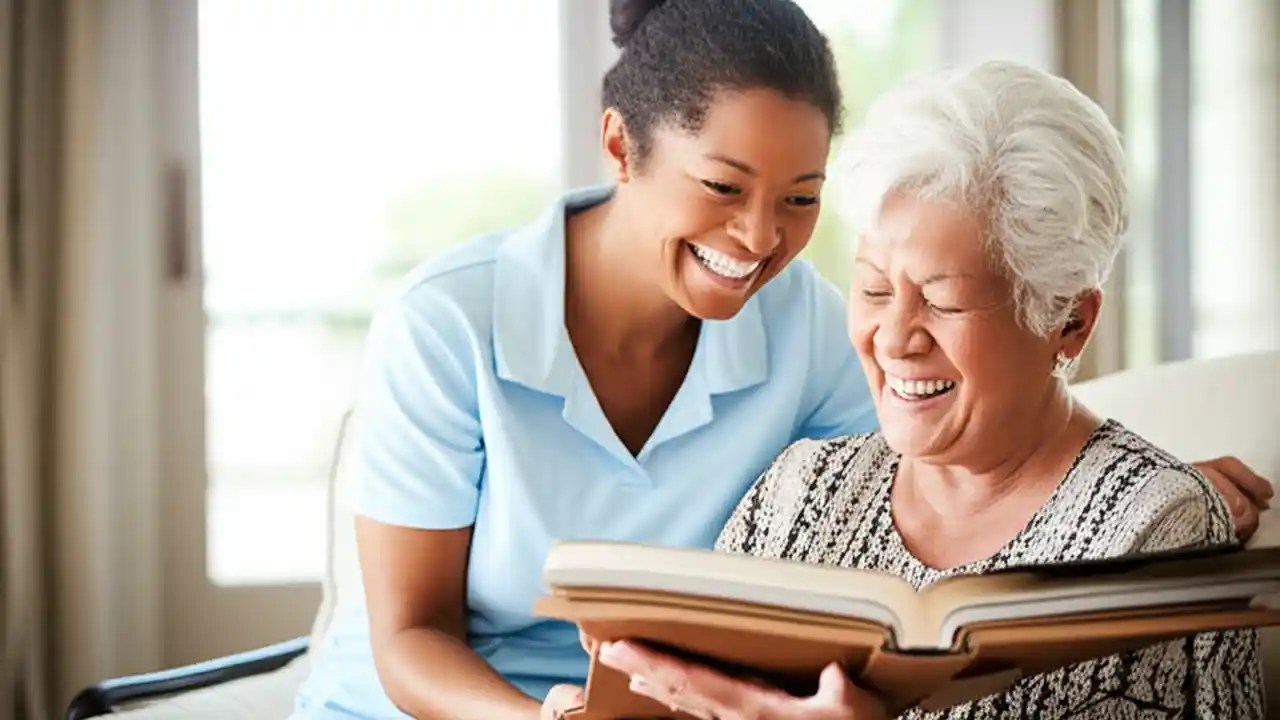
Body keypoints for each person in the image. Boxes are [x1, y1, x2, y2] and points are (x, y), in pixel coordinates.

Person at [291, 1, 1271, 718]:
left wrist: (1146, 492)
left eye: (801, 198)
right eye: (723, 186)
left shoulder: (802, 323)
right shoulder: (449, 324)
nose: (761, 238)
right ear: (620, 148)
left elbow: (963, 426)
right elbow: (409, 638)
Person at [596, 60, 1267, 720]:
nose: (893, 339)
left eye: (943, 302)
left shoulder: (1154, 527)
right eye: (874, 290)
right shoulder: (801, 490)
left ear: (1069, 321)